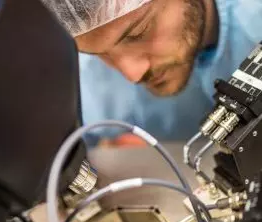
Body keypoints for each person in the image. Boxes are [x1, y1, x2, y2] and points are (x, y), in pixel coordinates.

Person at [42, 0, 262, 146]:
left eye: (139, 32)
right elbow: (55, 151)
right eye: (100, 54)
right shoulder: (95, 84)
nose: (133, 75)